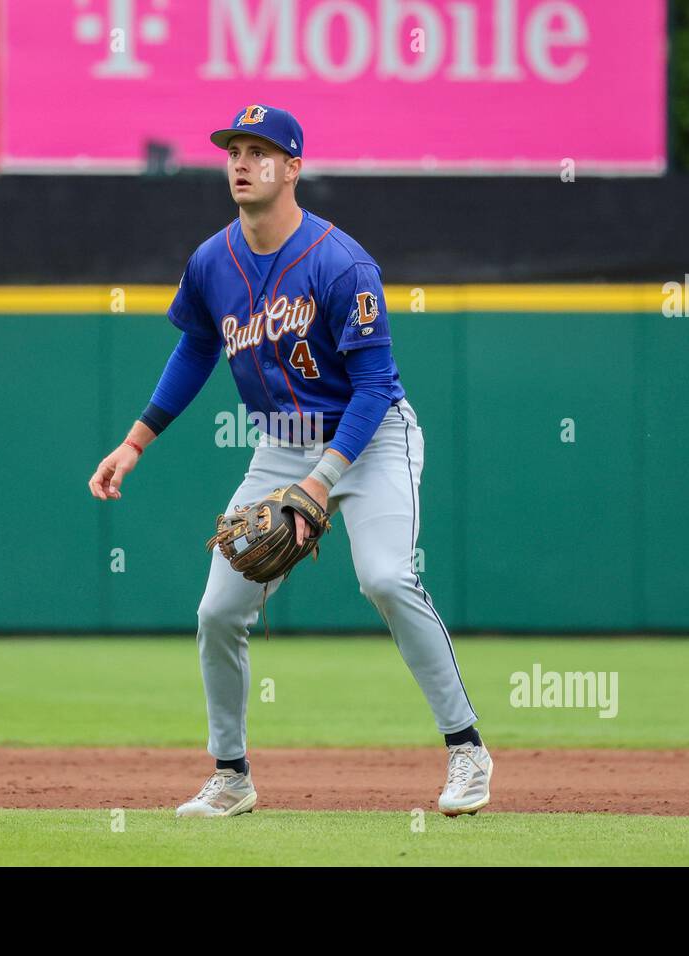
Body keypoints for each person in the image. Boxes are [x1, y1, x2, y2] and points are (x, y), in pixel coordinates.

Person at [88, 105, 492, 818]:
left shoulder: (342, 263)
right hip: (281, 444)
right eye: (234, 150)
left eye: (260, 151)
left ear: (294, 168)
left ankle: (466, 749)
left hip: (370, 440)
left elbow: (372, 387)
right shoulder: (213, 261)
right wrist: (135, 441)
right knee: (217, 610)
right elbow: (195, 349)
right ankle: (232, 776)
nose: (242, 162)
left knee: (387, 577)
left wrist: (320, 482)